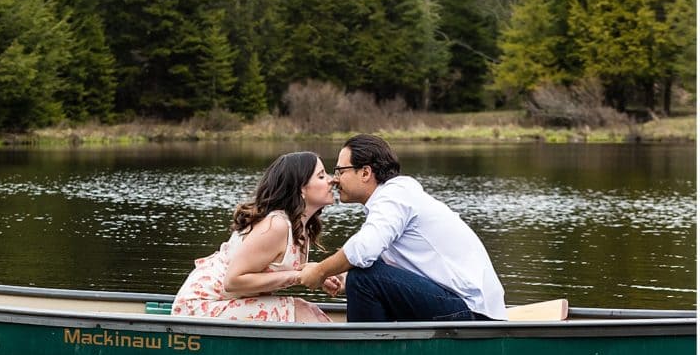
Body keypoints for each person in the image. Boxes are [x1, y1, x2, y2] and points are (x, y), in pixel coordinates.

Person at [299, 134, 507, 322]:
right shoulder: (391, 199)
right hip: (464, 305)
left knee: (364, 279)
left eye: (340, 171)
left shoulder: (395, 196)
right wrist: (343, 277)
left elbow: (364, 248)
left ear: (365, 173)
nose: (335, 179)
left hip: (472, 312)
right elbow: (377, 259)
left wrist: (320, 271)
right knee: (361, 275)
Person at [172, 150, 339, 323]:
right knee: (300, 310)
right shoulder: (276, 225)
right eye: (321, 176)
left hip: (230, 301)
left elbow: (276, 268)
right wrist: (298, 276)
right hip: (200, 307)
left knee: (309, 309)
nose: (331, 180)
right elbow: (233, 281)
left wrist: (316, 273)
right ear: (300, 188)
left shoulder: (299, 226)